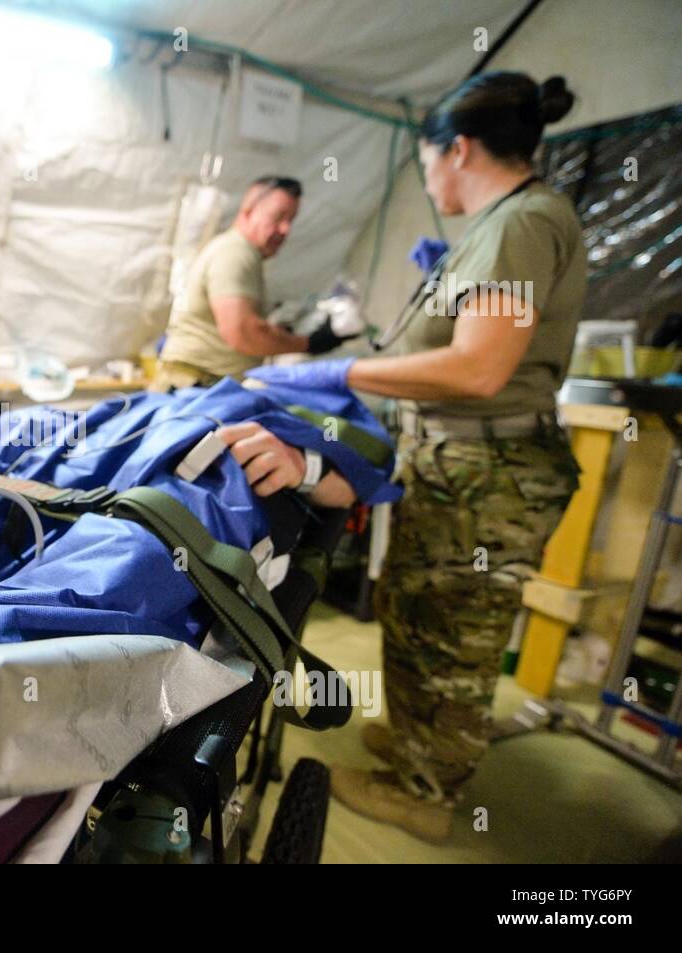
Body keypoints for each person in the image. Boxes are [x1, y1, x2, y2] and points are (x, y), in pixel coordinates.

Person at [251, 72, 585, 843]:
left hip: (489, 473)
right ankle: (415, 743)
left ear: (457, 149)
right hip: (456, 465)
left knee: (456, 632)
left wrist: (338, 370)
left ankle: (430, 790)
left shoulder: (522, 221)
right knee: (414, 610)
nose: (431, 181)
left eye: (430, 162)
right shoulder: (506, 223)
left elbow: (478, 369)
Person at [149, 176, 352, 392]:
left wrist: (282, 334)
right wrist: (309, 343)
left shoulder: (242, 253)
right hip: (195, 388)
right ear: (248, 210)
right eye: (278, 217)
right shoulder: (235, 253)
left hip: (201, 386)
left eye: (291, 220)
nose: (285, 229)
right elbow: (243, 332)